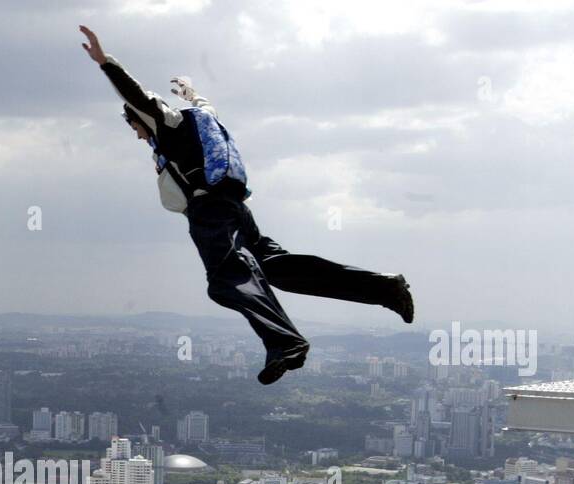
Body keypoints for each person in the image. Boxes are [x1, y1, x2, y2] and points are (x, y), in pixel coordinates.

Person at [79, 25, 414, 385]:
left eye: (135, 127)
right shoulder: (199, 120)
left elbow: (138, 96)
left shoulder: (165, 123)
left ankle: (286, 343)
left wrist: (105, 62)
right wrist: (192, 93)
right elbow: (205, 105)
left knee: (226, 278)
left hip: (210, 212)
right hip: (236, 208)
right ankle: (385, 288)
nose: (137, 134)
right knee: (279, 268)